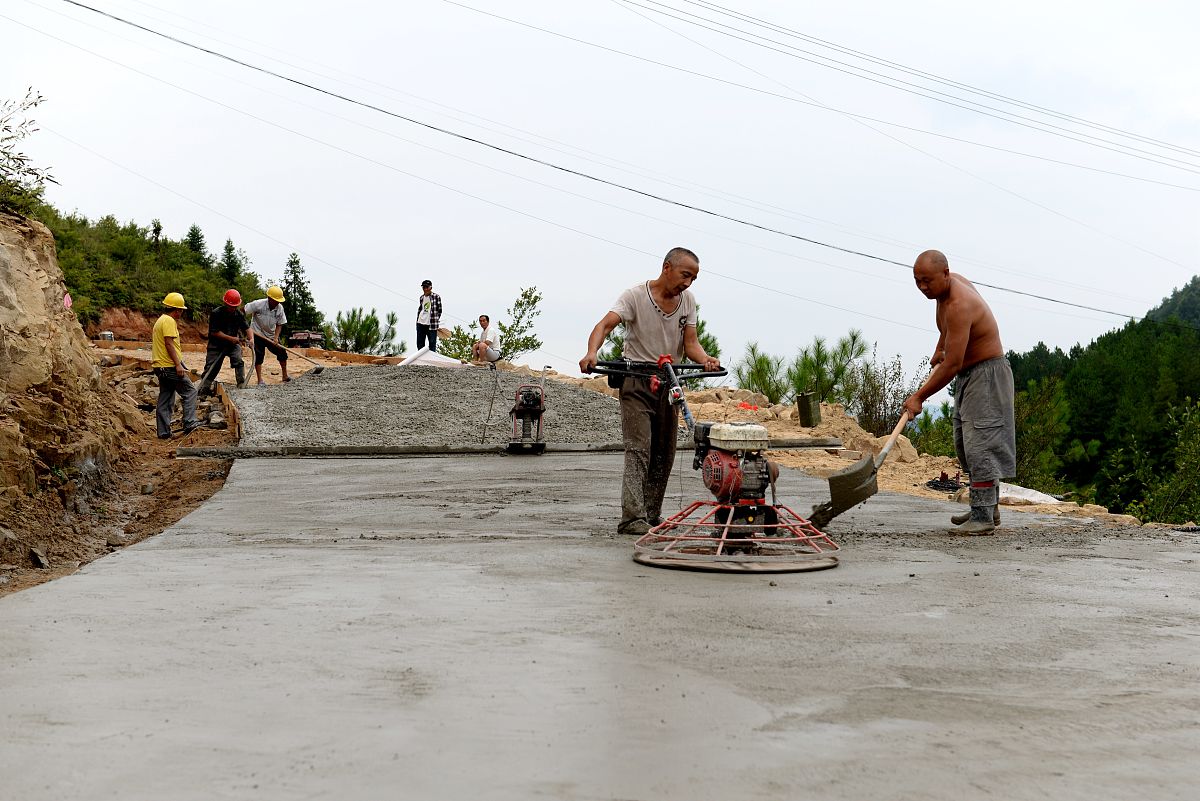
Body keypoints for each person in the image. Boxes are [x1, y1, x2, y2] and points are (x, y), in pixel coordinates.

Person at [580, 247, 721, 536]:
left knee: (664, 452)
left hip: (668, 382)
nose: (688, 283)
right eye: (685, 275)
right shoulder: (634, 296)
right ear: (667, 267)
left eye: (693, 278)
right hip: (637, 380)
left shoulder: (687, 301)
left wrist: (705, 359)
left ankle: (651, 513)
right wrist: (592, 352)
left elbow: (691, 343)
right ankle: (631, 518)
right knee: (639, 449)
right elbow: (604, 325)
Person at [902, 249, 1015, 535]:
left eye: (927, 280)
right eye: (917, 281)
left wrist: (919, 397)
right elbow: (950, 336)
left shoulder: (959, 304)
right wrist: (941, 343)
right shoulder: (948, 290)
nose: (922, 287)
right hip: (970, 374)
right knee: (966, 442)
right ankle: (988, 507)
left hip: (987, 374)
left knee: (982, 444)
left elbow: (952, 364)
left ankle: (983, 516)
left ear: (945, 273)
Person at [151, 292, 201, 439]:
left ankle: (163, 432)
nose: (181, 313)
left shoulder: (160, 320)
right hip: (169, 366)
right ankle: (190, 423)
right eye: (181, 310)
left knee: (166, 397)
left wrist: (181, 362)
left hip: (160, 366)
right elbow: (169, 344)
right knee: (190, 392)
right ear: (177, 310)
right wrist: (178, 365)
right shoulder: (169, 321)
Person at [196, 289, 250, 397]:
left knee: (238, 360)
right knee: (212, 366)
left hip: (232, 345)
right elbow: (215, 332)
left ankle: (241, 383)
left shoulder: (238, 314)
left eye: (235, 306)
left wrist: (251, 339)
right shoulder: (216, 313)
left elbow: (247, 328)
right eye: (231, 306)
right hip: (216, 344)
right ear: (225, 303)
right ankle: (203, 388)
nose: (233, 308)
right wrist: (231, 338)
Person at [244, 286, 290, 386]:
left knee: (282, 352)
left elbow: (280, 324)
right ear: (270, 298)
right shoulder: (258, 304)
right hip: (257, 334)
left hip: (271, 335)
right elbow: (244, 310)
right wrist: (244, 326)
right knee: (259, 356)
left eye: (279, 301)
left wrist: (276, 337)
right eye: (276, 300)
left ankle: (285, 375)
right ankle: (260, 380)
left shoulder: (279, 308)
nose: (277, 303)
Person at [415, 279, 442, 352]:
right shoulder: (421, 297)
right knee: (420, 343)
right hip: (420, 323)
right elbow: (421, 309)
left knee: (432, 343)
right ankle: (421, 359)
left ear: (430, 287)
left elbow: (439, 310)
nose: (425, 289)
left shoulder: (436, 297)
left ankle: (431, 360)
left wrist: (435, 320)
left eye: (427, 287)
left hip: (432, 324)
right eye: (424, 287)